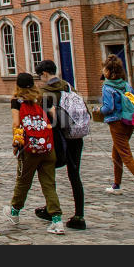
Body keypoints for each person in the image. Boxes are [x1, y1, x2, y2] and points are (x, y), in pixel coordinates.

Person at [5, 71, 64, 234]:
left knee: (23, 181)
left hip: (29, 148)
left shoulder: (17, 101)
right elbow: (55, 118)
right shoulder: (44, 98)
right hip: (47, 147)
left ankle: (14, 213)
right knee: (49, 184)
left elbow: (16, 123)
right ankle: (57, 221)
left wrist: (16, 143)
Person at [34, 59, 85, 230]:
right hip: (76, 136)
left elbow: (43, 118)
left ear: (45, 74)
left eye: (40, 76)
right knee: (74, 174)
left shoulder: (46, 92)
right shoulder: (69, 87)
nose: (40, 80)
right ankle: (79, 216)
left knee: (49, 173)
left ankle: (52, 209)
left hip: (58, 137)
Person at [97, 56, 134, 199]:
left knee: (126, 155)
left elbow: (109, 107)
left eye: (104, 68)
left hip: (116, 123)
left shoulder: (107, 87)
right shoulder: (126, 85)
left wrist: (99, 110)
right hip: (129, 122)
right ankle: (116, 185)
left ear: (109, 71)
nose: (102, 71)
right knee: (117, 153)